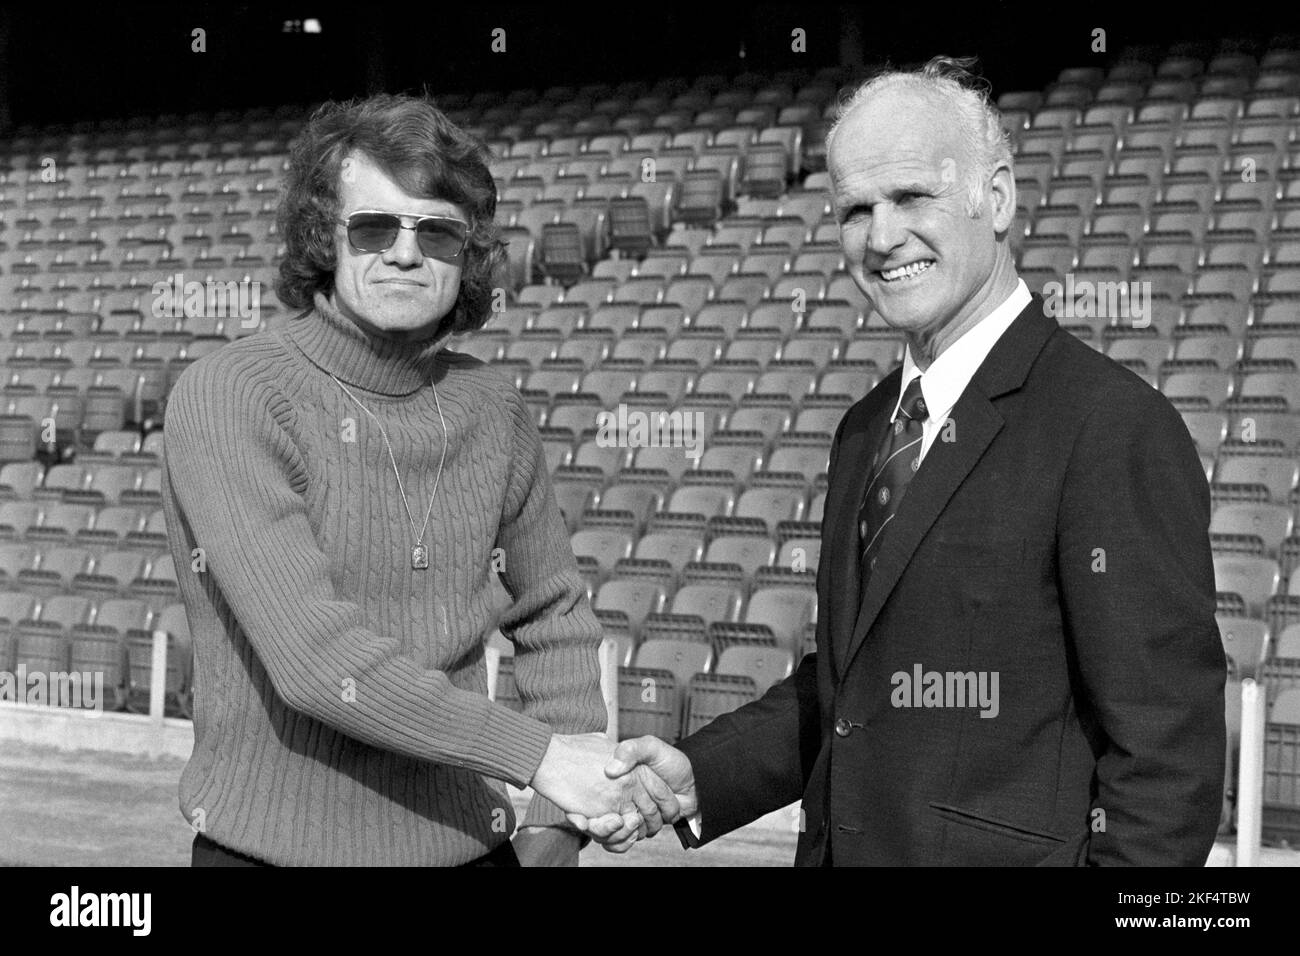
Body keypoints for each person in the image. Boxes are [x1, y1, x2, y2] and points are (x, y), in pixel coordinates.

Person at [586, 57, 1227, 865]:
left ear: (995, 197)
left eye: (911, 196)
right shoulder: (865, 429)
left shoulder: (1112, 427)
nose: (882, 237)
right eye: (856, 209)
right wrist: (700, 775)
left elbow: (1167, 769)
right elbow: (858, 686)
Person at [163, 93, 649, 866]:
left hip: (472, 851)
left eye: (438, 232)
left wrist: (557, 827)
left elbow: (554, 615)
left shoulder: (494, 406)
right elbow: (316, 665)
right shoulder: (232, 393)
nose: (405, 253)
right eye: (375, 227)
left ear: (469, 254)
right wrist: (545, 758)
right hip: (270, 858)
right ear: (327, 238)